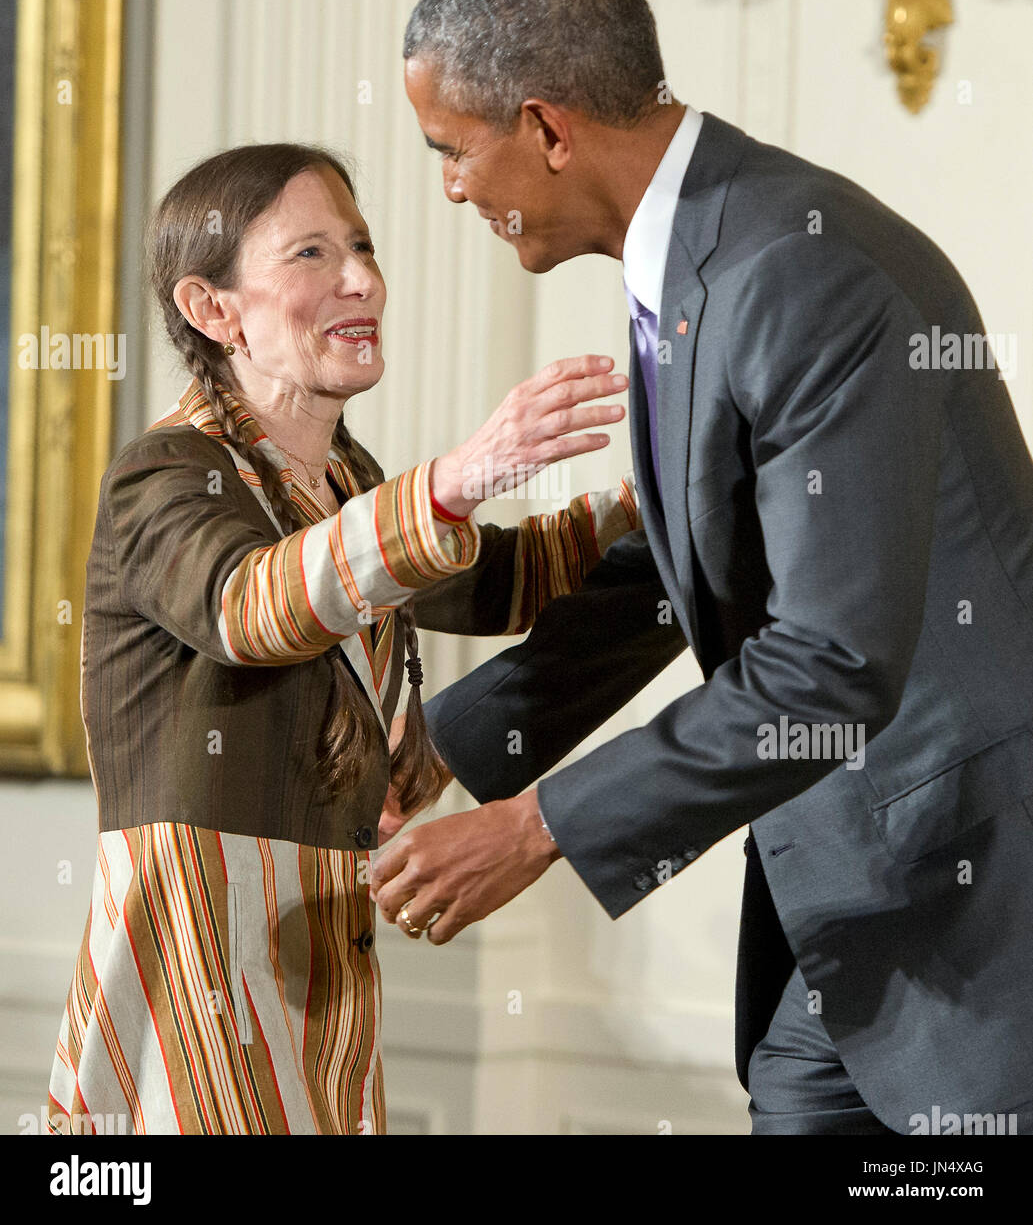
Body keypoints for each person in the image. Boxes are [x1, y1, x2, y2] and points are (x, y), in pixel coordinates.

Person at [371, 0, 1033, 1135]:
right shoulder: (705, 248)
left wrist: (535, 829)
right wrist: (458, 747)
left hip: (968, 902)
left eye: (452, 153)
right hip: (858, 889)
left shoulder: (795, 272)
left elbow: (829, 662)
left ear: (547, 129)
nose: (455, 189)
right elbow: (677, 574)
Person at [46, 140, 638, 1135]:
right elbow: (250, 606)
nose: (362, 279)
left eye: (360, 246)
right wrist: (457, 476)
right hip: (198, 965)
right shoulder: (164, 472)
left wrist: (648, 505)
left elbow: (500, 579)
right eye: (310, 255)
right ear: (214, 310)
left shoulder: (346, 482)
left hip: (318, 966)